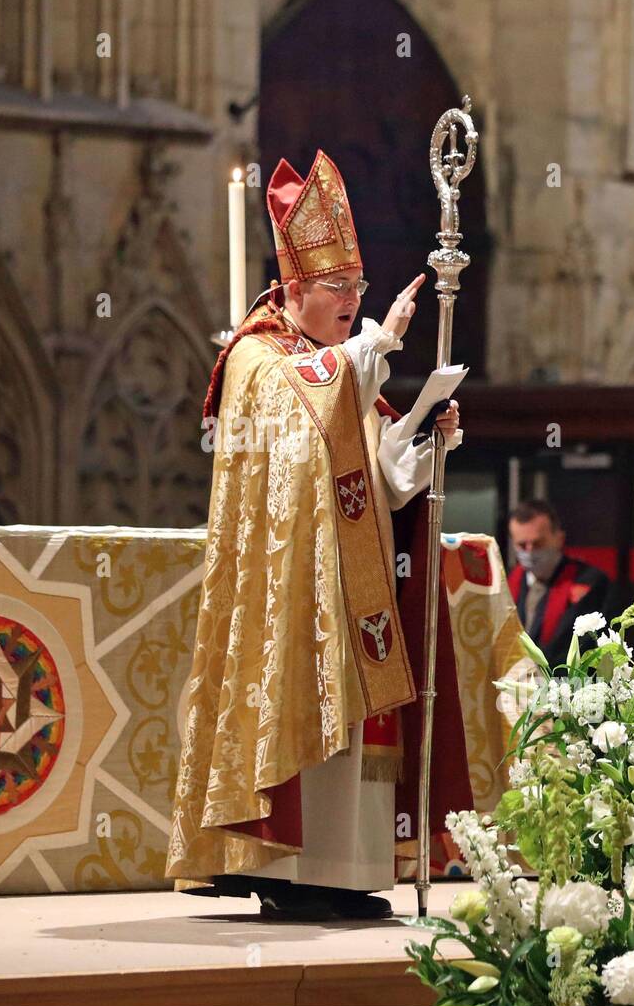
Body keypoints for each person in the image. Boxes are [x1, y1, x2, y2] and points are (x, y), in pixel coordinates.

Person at [165, 148, 471, 921]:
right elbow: (302, 418)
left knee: (361, 735)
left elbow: (377, 480)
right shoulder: (257, 357)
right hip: (291, 594)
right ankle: (289, 874)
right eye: (340, 289)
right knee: (304, 716)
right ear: (294, 289)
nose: (353, 302)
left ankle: (343, 873)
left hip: (353, 582)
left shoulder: (334, 363)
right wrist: (376, 346)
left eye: (359, 288)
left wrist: (422, 440)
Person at [505, 498, 613, 669]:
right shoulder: (506, 583)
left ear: (559, 538)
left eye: (538, 543)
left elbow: (589, 645)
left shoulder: (590, 582)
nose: (530, 551)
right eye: (522, 545)